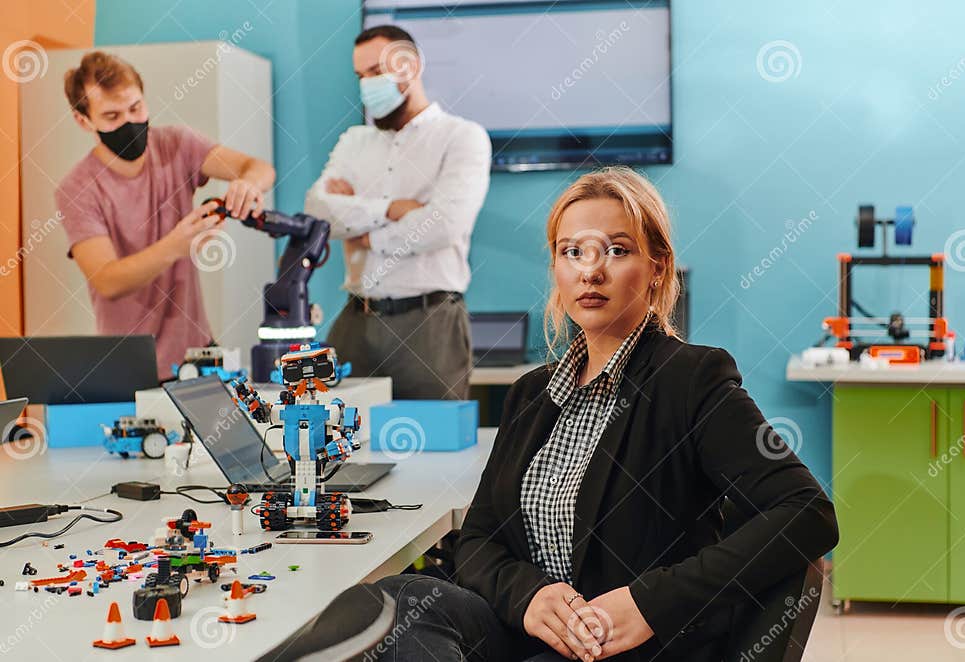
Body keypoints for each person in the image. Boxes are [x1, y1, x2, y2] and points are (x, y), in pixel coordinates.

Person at [259, 166, 839, 662]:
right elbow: (479, 539)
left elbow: (807, 512)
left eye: (617, 250)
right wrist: (530, 596)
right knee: (384, 605)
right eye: (572, 252)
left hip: (619, 648)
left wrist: (649, 603)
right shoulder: (533, 394)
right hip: (523, 631)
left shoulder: (691, 379)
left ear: (658, 266)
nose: (591, 270)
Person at [55, 51, 275, 379]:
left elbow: (258, 168)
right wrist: (176, 245)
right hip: (130, 367)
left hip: (198, 354)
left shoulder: (176, 144)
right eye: (112, 116)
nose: (130, 122)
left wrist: (247, 184)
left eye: (136, 108)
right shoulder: (77, 188)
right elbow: (108, 280)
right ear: (83, 120)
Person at [304, 25, 491, 400]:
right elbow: (318, 213)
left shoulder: (462, 137)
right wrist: (391, 209)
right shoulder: (354, 141)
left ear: (411, 66)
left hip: (429, 324)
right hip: (355, 321)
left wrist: (365, 232)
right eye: (360, 75)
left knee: (433, 434)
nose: (366, 84)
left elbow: (444, 225)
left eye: (376, 71)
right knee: (338, 429)